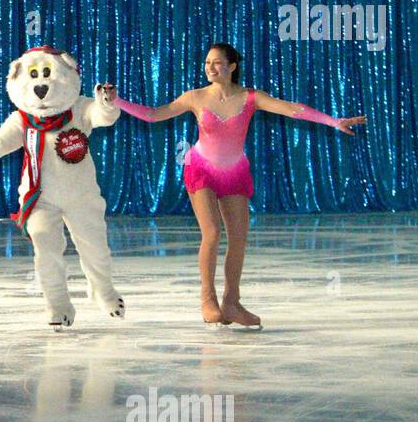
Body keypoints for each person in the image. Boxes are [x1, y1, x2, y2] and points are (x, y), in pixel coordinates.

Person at [105, 43, 366, 328]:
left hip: (234, 172)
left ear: (231, 67)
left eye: (217, 63)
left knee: (238, 238)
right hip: (201, 169)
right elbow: (154, 114)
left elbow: (293, 109)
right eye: (207, 63)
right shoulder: (195, 97)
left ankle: (232, 303)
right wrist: (116, 101)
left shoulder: (250, 97)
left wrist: (332, 121)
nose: (210, 68)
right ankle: (208, 300)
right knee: (213, 232)